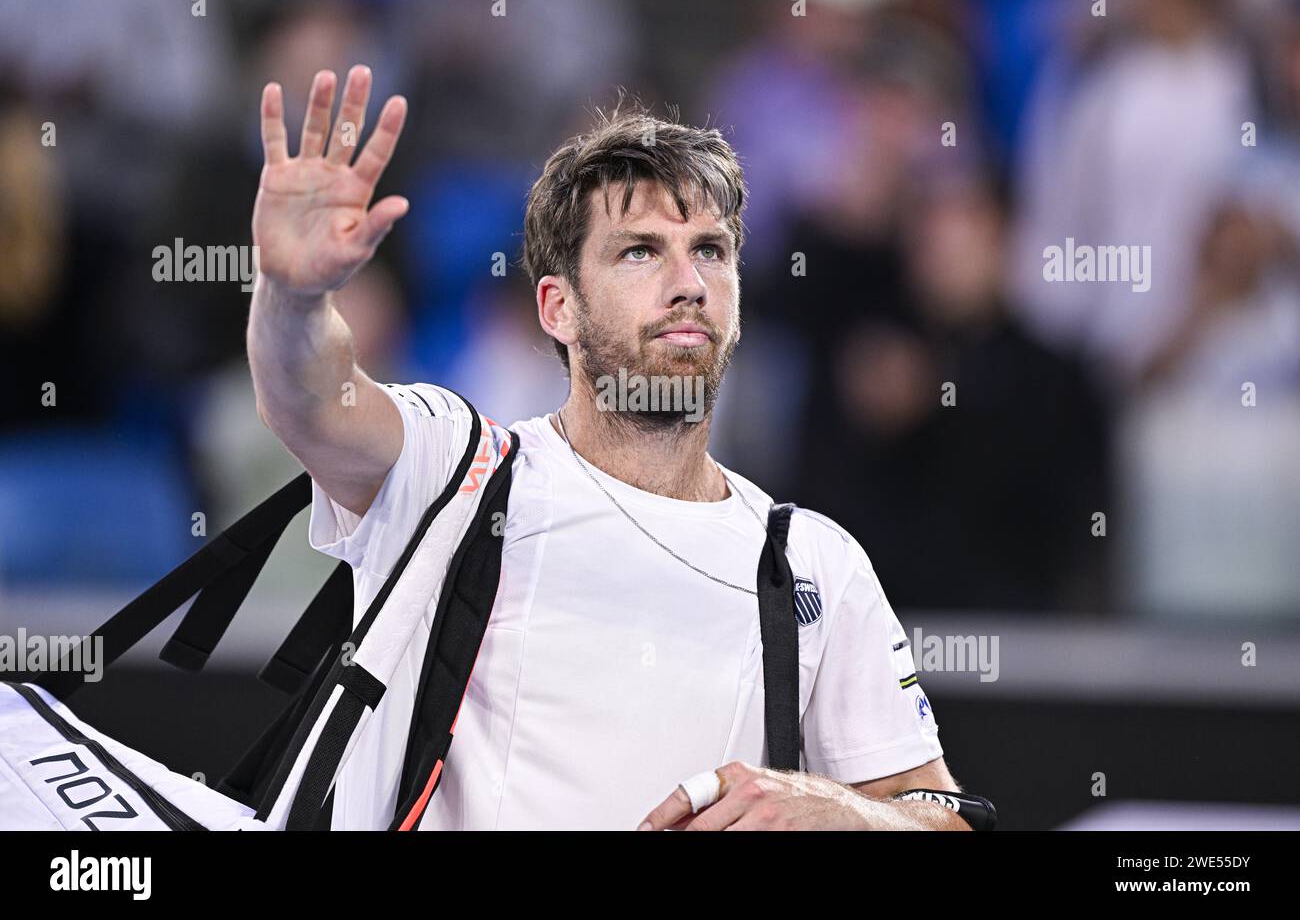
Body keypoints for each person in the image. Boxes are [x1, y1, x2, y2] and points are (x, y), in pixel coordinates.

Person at [246, 64, 972, 830]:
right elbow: (314, 401)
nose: (688, 282)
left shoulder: (813, 562)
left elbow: (941, 815)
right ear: (558, 307)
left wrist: (837, 810)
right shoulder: (459, 474)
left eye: (711, 251)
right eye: (640, 252)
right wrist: (291, 295)